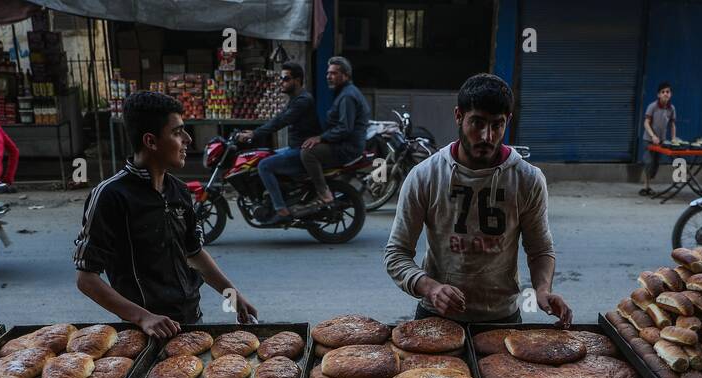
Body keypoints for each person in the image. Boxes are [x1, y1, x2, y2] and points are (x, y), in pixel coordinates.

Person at [73, 91, 258, 378]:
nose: (187, 140)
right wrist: (142, 318)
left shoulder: (178, 192)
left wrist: (232, 294)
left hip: (188, 327)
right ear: (150, 141)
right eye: (178, 132)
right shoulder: (112, 195)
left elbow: (193, 253)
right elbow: (87, 278)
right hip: (145, 338)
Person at [385, 73, 572, 327]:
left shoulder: (528, 179)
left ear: (508, 122)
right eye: (477, 123)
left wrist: (542, 289)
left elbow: (539, 249)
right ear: (458, 116)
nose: (486, 136)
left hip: (502, 317)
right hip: (436, 316)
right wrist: (430, 287)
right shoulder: (425, 176)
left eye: (497, 125)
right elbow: (397, 253)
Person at [235, 61, 320, 222]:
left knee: (264, 165)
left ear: (297, 80)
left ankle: (280, 209)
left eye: (286, 79)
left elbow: (282, 122)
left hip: (301, 150)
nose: (282, 82)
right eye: (281, 79)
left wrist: (254, 134)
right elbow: (278, 118)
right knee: (263, 156)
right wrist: (253, 131)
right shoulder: (296, 99)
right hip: (295, 147)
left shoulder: (303, 100)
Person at [297, 56, 369, 214]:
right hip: (344, 143)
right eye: (328, 73)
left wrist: (321, 138)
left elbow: (344, 128)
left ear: (346, 75)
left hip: (347, 147)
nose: (329, 76)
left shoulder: (348, 96)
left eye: (334, 73)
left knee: (308, 153)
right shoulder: (345, 92)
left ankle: (323, 192)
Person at [639, 82, 676, 197]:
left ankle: (649, 184)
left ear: (671, 94)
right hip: (649, 140)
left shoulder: (671, 108)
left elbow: (673, 125)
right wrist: (653, 136)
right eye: (663, 92)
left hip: (662, 141)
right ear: (658, 95)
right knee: (648, 161)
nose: (665, 94)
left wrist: (674, 139)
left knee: (656, 163)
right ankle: (645, 186)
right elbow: (646, 123)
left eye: (668, 92)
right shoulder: (653, 106)